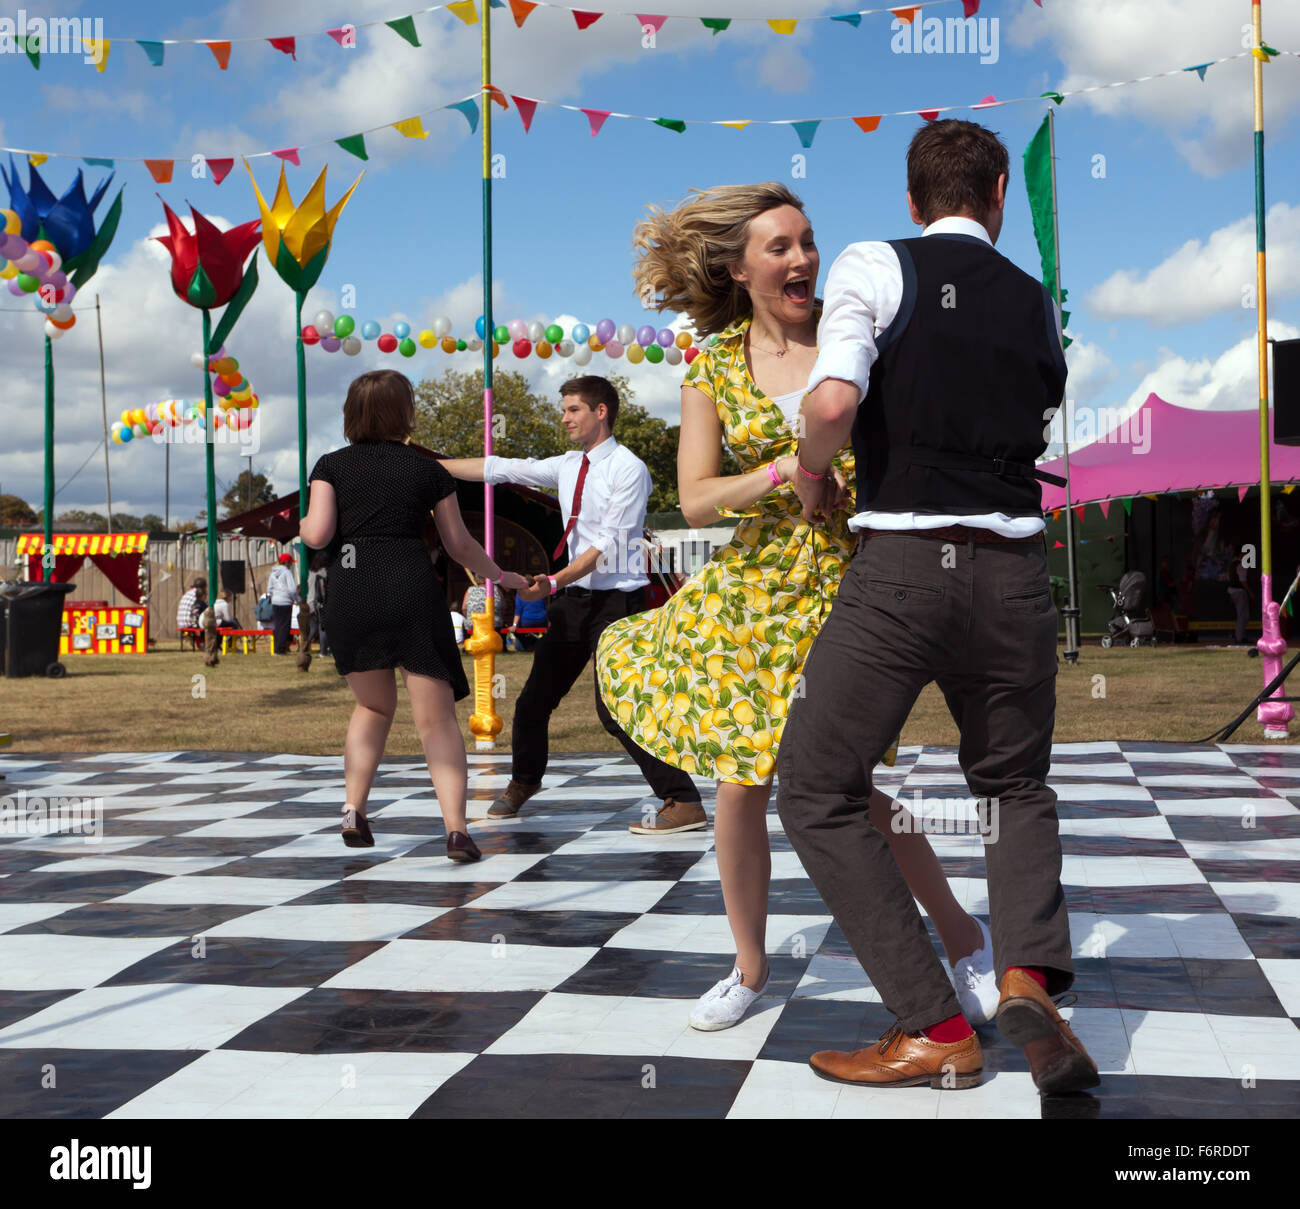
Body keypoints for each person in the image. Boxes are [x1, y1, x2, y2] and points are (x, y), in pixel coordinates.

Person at [596, 183, 992, 1032]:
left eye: (808, 240)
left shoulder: (862, 339)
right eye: (780, 247)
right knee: (741, 786)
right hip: (753, 593)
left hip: (856, 587)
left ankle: (963, 939)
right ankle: (747, 967)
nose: (803, 258)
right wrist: (789, 471)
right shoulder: (711, 365)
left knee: (848, 785)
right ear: (739, 269)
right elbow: (697, 499)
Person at [774, 120, 1098, 1094]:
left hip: (904, 567)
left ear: (913, 200)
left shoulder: (878, 261)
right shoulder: (1036, 301)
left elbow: (832, 405)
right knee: (1013, 789)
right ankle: (1027, 972)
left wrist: (808, 475)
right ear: (998, 192)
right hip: (1014, 573)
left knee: (817, 786)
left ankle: (934, 1025)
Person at [442, 375, 704, 822]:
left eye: (573, 410)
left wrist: (553, 580)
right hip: (572, 603)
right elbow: (500, 467)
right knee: (532, 702)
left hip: (618, 606)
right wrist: (432, 467)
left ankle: (684, 800)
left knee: (614, 710)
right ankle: (523, 783)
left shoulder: (629, 469)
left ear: (601, 412)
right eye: (564, 410)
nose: (564, 419)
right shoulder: (568, 465)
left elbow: (606, 547)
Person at [299, 369, 531, 861]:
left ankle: (353, 810)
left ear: (350, 414)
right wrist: (503, 576)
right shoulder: (429, 471)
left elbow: (317, 536)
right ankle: (455, 831)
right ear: (405, 413)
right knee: (437, 720)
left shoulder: (330, 465)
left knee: (372, 708)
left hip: (352, 585)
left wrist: (303, 522)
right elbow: (458, 544)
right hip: (408, 584)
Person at [267, 551, 299, 654]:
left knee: (277, 625)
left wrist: (274, 598)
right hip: (285, 602)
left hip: (275, 602)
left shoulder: (272, 573)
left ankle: (276, 648)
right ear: (287, 562)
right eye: (291, 563)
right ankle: (281, 649)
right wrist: (298, 599)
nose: (291, 565)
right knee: (285, 626)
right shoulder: (287, 572)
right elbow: (292, 589)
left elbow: (269, 589)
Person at [1227, 552, 1256, 644]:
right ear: (1241, 554)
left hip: (1234, 591)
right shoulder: (1240, 564)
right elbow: (1242, 581)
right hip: (1239, 592)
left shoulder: (1233, 563)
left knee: (1244, 615)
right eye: (1245, 554)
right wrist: (1250, 592)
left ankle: (1241, 636)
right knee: (1242, 616)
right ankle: (1239, 638)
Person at [308, 551, 331, 655]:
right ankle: (323, 651)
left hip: (310, 602)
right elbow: (324, 590)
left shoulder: (311, 572)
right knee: (323, 628)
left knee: (313, 628)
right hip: (320, 603)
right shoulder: (324, 572)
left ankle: (304, 647)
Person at [176, 577, 206, 647]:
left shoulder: (188, 593)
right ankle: (203, 644)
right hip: (191, 623)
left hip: (180, 623)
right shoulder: (199, 594)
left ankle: (192, 638)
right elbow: (206, 608)